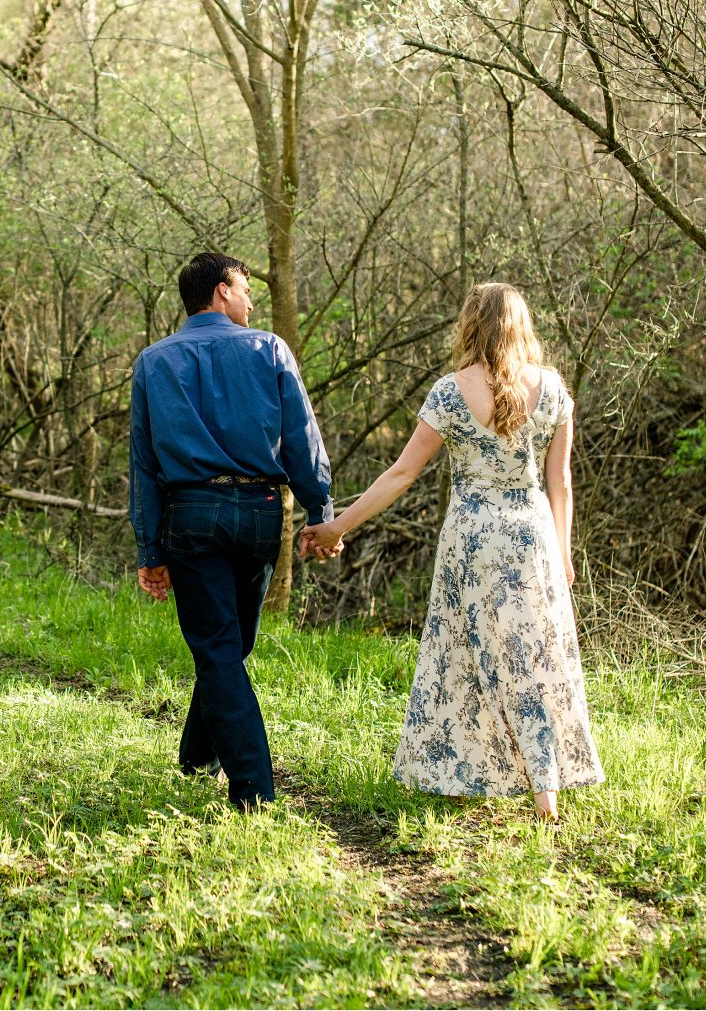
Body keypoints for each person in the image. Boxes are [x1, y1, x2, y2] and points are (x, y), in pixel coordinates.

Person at [302, 283, 604, 823]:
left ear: (471, 325)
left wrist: (336, 526)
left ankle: (460, 778)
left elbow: (401, 474)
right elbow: (561, 483)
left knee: (464, 654)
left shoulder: (450, 392)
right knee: (533, 656)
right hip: (532, 536)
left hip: (472, 538)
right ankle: (545, 792)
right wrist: (563, 555)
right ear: (521, 325)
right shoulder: (553, 388)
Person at [129, 252, 335, 811]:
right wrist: (321, 510)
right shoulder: (268, 348)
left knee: (224, 648)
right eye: (246, 290)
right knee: (227, 646)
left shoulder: (153, 362)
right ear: (221, 291)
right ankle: (223, 774)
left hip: (190, 514)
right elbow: (301, 438)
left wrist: (150, 548)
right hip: (260, 510)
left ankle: (239, 783)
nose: (251, 302)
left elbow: (144, 466)